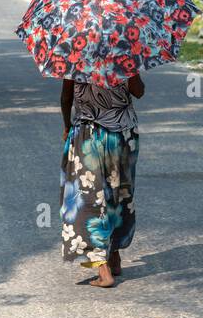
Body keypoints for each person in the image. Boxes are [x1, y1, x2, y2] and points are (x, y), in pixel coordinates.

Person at [58, 74, 144, 288]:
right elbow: (139, 91)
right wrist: (128, 67)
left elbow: (66, 97)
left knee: (88, 198)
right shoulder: (123, 50)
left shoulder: (75, 55)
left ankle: (103, 268)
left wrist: (67, 125)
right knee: (119, 194)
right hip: (123, 136)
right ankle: (114, 256)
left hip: (89, 135)